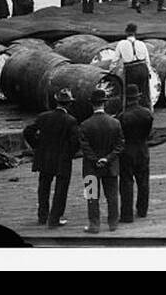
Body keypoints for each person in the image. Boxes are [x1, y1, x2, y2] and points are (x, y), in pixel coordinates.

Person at [22, 87, 78, 228]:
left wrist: (37, 146)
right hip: (62, 160)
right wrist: (68, 154)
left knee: (44, 187)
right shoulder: (71, 120)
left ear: (56, 101)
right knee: (61, 189)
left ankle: (42, 216)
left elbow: (28, 131)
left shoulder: (44, 117)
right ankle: (55, 218)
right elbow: (75, 143)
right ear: (69, 104)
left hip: (45, 158)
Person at [79, 88, 124, 233]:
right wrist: (107, 158)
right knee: (112, 196)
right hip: (110, 167)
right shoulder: (115, 123)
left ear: (92, 105)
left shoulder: (85, 125)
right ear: (104, 104)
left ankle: (94, 225)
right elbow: (120, 145)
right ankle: (113, 224)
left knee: (92, 197)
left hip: (91, 168)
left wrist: (96, 159)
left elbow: (84, 147)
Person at [117, 84, 153, 223]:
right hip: (143, 149)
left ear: (127, 98)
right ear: (138, 97)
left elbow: (120, 135)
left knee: (126, 182)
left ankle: (127, 215)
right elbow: (148, 132)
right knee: (143, 181)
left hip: (127, 150)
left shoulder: (123, 116)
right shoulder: (147, 113)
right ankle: (142, 210)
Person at [114, 24, 153, 110]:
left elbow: (115, 60)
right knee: (144, 92)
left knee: (130, 91)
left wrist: (111, 71)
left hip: (131, 69)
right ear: (135, 33)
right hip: (143, 68)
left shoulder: (121, 43)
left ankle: (130, 110)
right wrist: (149, 71)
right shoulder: (142, 44)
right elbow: (147, 60)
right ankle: (146, 110)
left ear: (126, 32)